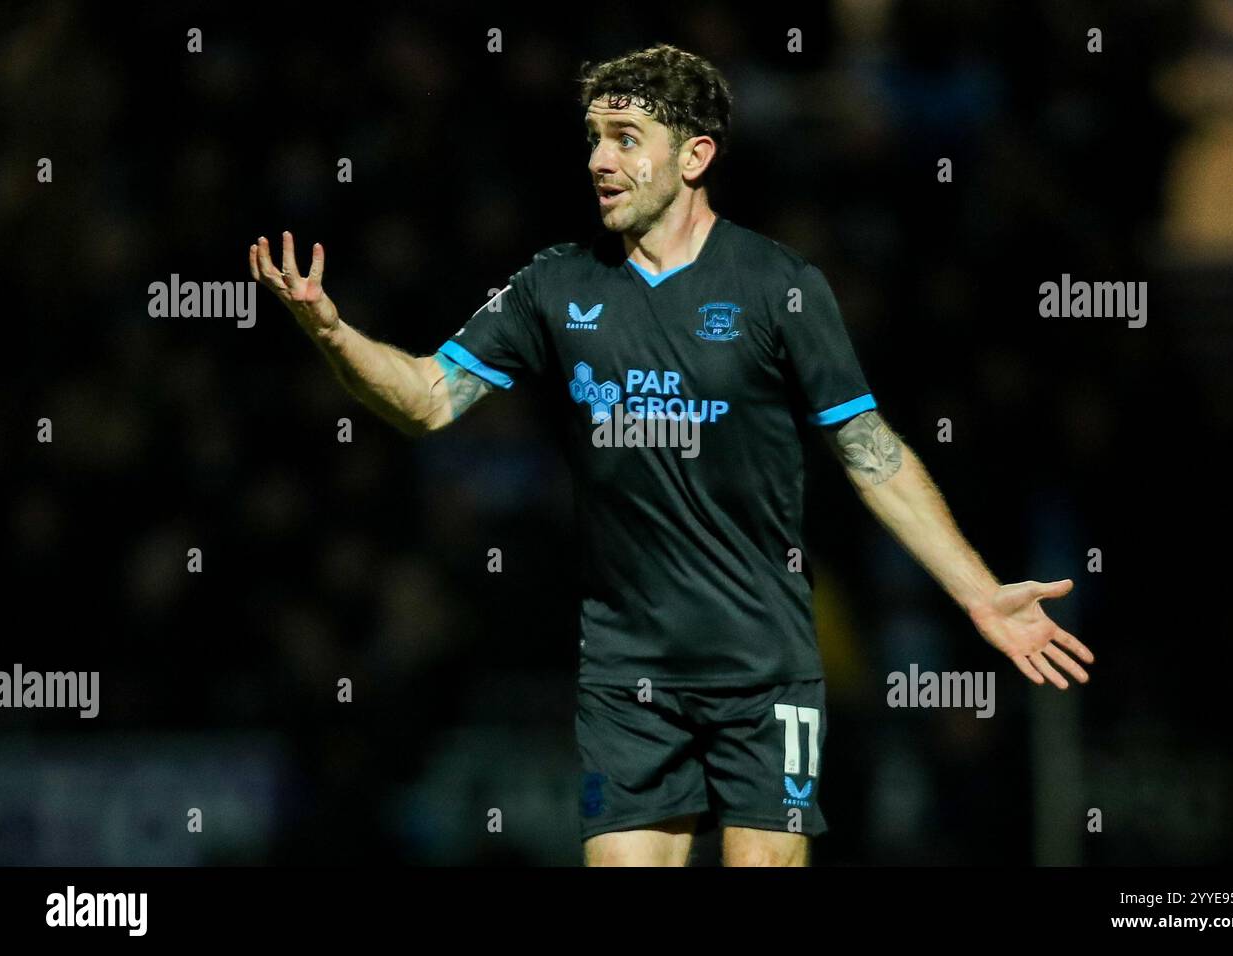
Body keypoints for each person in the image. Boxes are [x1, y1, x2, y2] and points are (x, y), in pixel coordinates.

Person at [248, 43, 1094, 867]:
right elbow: (428, 400)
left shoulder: (780, 287)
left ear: (695, 155)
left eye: (624, 138)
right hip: (629, 675)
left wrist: (978, 592)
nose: (599, 160)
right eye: (592, 138)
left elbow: (869, 449)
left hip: (763, 667)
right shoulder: (555, 286)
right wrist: (332, 332)